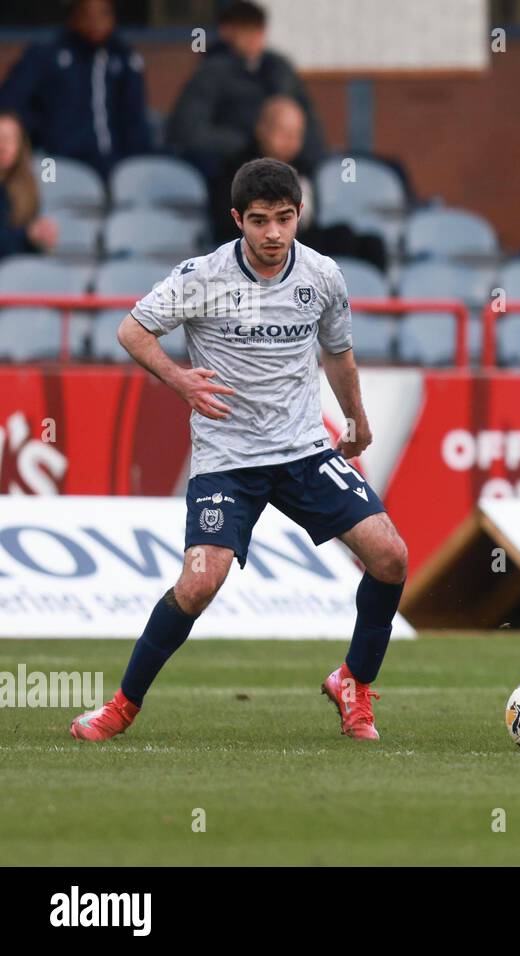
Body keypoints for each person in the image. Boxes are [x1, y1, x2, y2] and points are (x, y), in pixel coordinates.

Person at [69, 158, 407, 743]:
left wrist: (356, 417)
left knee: (391, 556)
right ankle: (122, 706)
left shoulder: (323, 275)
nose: (273, 233)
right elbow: (131, 330)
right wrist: (180, 379)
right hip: (228, 459)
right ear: (237, 221)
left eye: (283, 219)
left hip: (303, 451)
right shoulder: (203, 276)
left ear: (300, 214)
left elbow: (337, 353)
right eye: (258, 221)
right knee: (199, 582)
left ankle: (354, 682)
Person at [209, 96, 387, 270]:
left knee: (369, 244)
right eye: (283, 132)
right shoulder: (236, 173)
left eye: (297, 134)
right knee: (341, 237)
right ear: (262, 129)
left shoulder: (304, 169)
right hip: (263, 248)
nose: (291, 141)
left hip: (302, 246)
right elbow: (230, 228)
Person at [167, 0, 327, 179]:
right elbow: (188, 131)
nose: (253, 38)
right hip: (230, 172)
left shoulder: (280, 70)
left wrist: (309, 162)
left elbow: (309, 126)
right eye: (245, 29)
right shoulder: (211, 73)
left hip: (287, 168)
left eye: (258, 30)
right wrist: (245, 145)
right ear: (226, 31)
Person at [0, 0, 152, 177]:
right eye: (87, 14)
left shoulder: (124, 58)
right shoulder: (46, 55)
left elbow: (134, 120)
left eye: (103, 14)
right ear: (73, 15)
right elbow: (10, 105)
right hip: (59, 161)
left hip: (117, 163)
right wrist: (41, 137)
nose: (95, 22)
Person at [0, 111, 59, 257]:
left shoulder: (24, 188)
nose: (3, 145)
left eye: (11, 139)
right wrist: (26, 236)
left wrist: (40, 236)